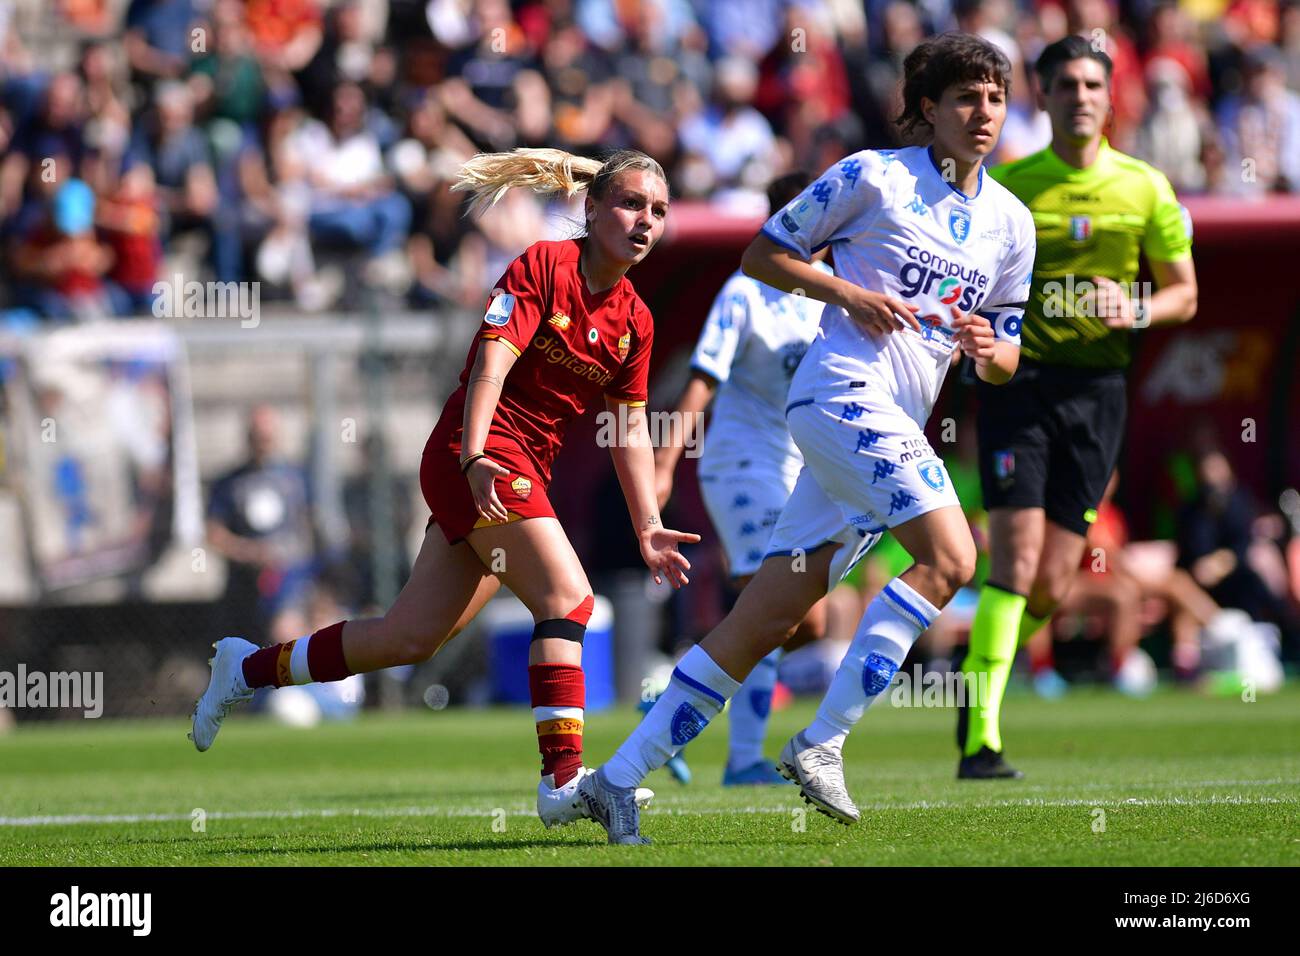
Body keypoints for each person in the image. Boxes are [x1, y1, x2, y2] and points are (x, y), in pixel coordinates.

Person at [578, 32, 1037, 843]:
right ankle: (821, 739)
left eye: (996, 97)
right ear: (928, 109)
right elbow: (763, 254)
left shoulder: (1011, 224)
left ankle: (615, 780)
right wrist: (844, 292)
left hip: (878, 428)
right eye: (966, 96)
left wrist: (986, 348)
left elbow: (1007, 357)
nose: (984, 112)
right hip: (839, 397)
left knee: (764, 622)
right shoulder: (873, 176)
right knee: (953, 557)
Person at [190, 147, 697, 829]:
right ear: (593, 206)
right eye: (632, 203)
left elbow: (629, 430)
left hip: (518, 471)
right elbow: (491, 363)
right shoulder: (544, 265)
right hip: (473, 451)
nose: (645, 221)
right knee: (570, 600)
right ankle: (564, 783)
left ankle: (245, 671)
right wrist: (476, 452)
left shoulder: (635, 319)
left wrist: (648, 524)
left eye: (658, 211)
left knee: (409, 638)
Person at [956, 35, 1198, 779]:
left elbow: (1185, 294)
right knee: (1017, 557)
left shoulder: (1146, 187)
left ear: (1110, 94)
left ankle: (983, 663)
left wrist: (1136, 307)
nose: (1081, 96)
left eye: (1094, 84)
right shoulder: (1010, 185)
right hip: (1020, 385)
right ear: (1045, 94)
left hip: (1099, 395)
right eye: (1066, 84)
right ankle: (980, 734)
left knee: (1055, 581)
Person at [652, 170, 832, 787]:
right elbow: (701, 380)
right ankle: (743, 760)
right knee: (770, 608)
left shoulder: (834, 293)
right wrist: (663, 465)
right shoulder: (746, 290)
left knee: (809, 622)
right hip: (740, 465)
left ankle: (672, 702)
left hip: (797, 470)